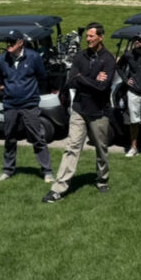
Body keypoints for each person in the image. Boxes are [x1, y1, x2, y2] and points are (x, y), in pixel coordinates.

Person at [43, 22, 116, 202]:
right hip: (79, 110)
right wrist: (91, 79)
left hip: (99, 111)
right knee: (71, 147)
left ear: (101, 37)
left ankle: (102, 179)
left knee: (101, 149)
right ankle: (58, 188)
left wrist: (82, 78)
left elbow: (103, 87)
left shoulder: (108, 59)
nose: (88, 39)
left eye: (92, 36)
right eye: (87, 36)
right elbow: (70, 82)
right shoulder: (80, 56)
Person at [0, 31, 54, 183]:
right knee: (9, 138)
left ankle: (47, 171)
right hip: (10, 104)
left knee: (37, 138)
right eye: (7, 41)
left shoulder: (33, 57)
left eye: (12, 41)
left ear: (20, 42)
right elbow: (0, 78)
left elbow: (42, 77)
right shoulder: (2, 59)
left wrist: (32, 94)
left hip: (29, 104)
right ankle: (7, 170)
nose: (8, 44)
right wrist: (3, 87)